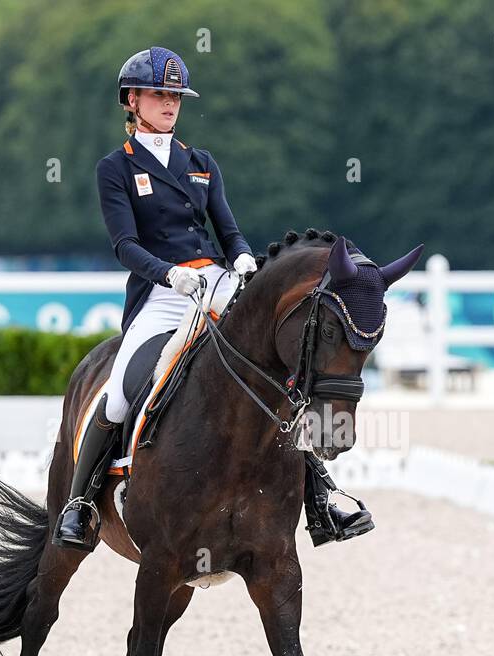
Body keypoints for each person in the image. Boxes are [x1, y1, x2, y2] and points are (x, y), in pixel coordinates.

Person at [53, 46, 373, 552]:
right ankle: (80, 504)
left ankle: (320, 494)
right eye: (159, 94)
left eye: (175, 96)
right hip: (161, 295)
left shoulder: (200, 163)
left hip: (219, 286)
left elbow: (228, 230)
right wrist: (170, 274)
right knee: (119, 390)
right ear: (132, 100)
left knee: (276, 376)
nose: (170, 104)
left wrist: (244, 259)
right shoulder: (115, 168)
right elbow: (125, 245)